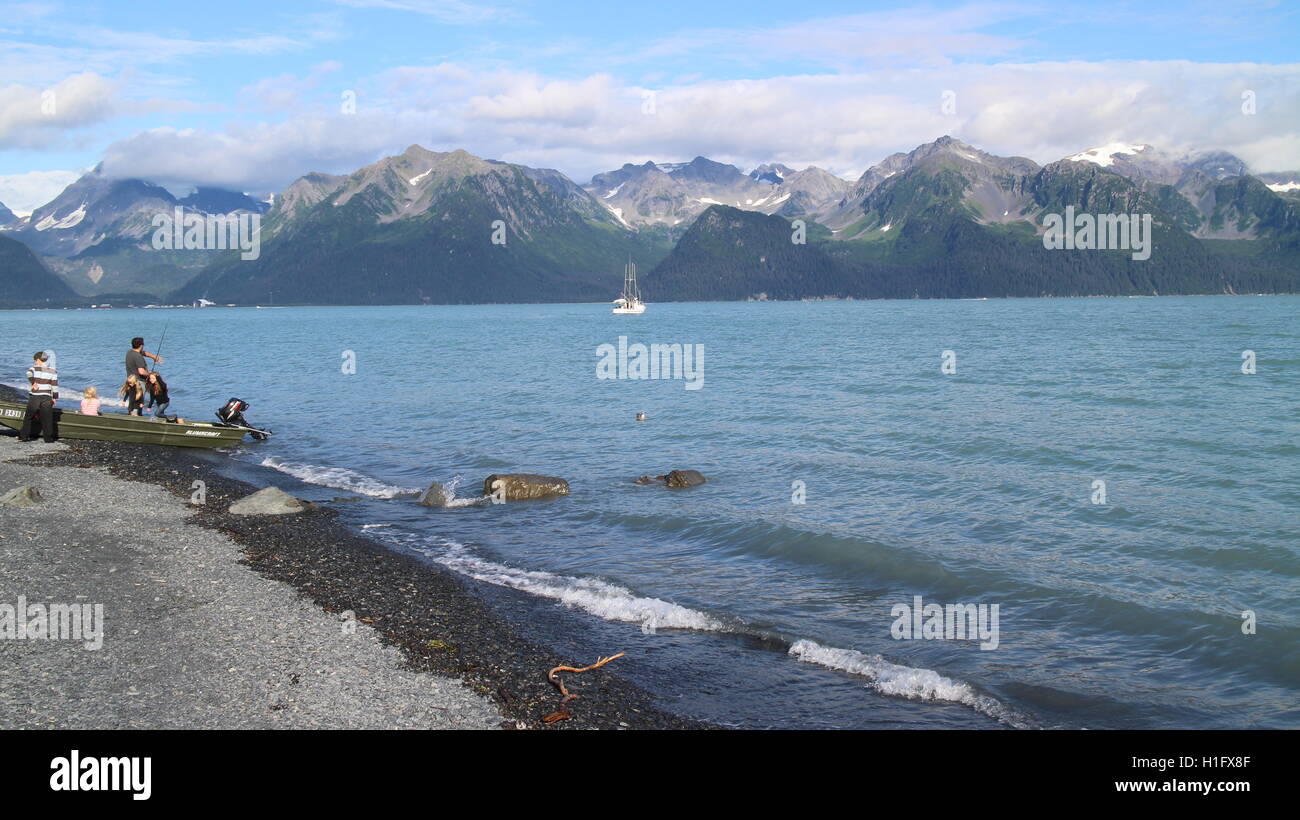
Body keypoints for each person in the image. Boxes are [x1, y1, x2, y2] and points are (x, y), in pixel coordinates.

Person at [18, 351, 58, 443]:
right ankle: (48, 439)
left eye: (35, 360)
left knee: (29, 416)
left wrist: (33, 382)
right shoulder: (53, 371)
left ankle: (24, 436)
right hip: (47, 396)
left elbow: (28, 373)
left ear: (38, 360)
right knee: (47, 418)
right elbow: (55, 386)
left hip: (35, 395)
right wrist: (55, 397)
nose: (35, 362)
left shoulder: (34, 368)